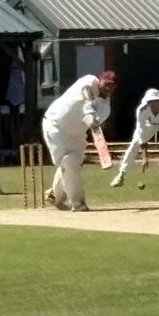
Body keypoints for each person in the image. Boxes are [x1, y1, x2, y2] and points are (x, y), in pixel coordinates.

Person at [42, 71, 116, 211]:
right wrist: (88, 108)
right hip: (55, 125)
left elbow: (93, 124)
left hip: (76, 135)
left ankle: (55, 195)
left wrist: (92, 120)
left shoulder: (105, 108)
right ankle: (78, 204)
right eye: (106, 84)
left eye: (112, 86)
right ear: (99, 80)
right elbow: (86, 91)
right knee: (67, 162)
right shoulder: (89, 80)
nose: (108, 88)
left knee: (72, 163)